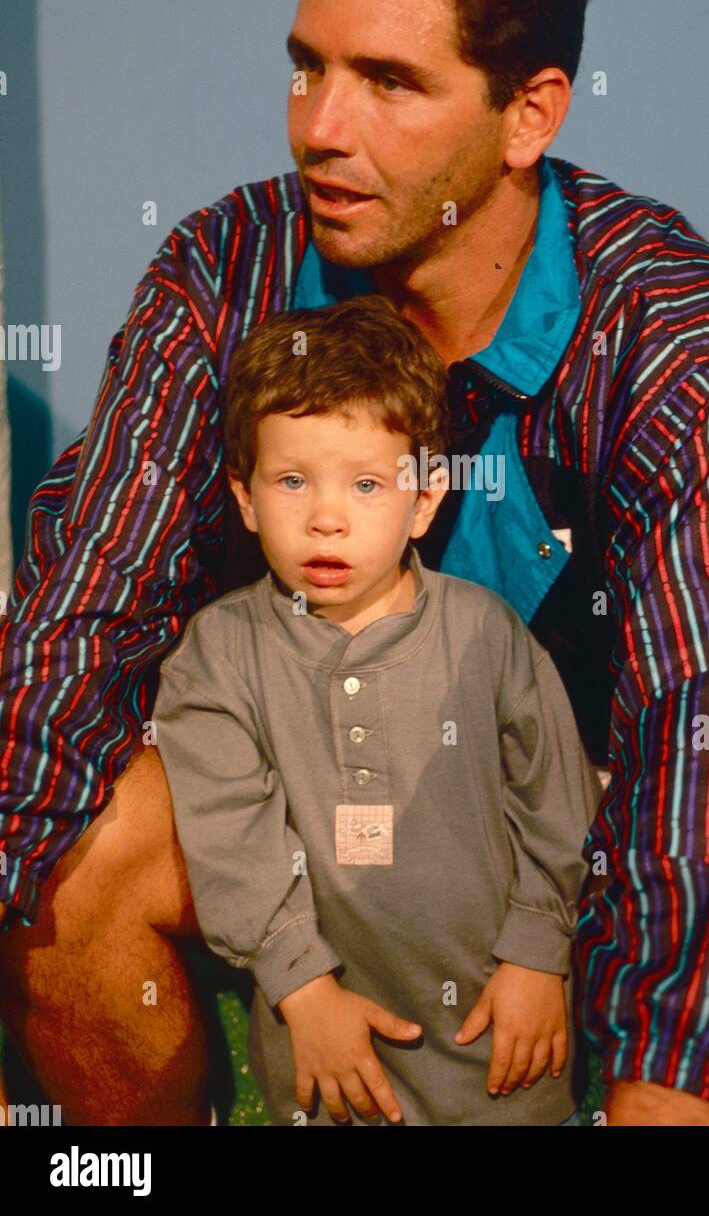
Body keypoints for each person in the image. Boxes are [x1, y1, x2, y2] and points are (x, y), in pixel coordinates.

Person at [0, 0, 709, 1126]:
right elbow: (78, 623)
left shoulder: (681, 349)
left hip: (570, 830)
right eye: (310, 64)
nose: (319, 127)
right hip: (298, 800)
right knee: (79, 859)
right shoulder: (226, 274)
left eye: (389, 82)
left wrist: (669, 1055)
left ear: (528, 115)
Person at [151, 295, 601, 1126]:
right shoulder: (219, 655)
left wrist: (539, 955)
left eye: (366, 484)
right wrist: (303, 988)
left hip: (503, 1049)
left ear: (425, 501)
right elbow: (229, 835)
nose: (326, 517)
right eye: (292, 482)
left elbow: (555, 802)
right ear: (246, 500)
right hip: (330, 1060)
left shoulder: (485, 634)